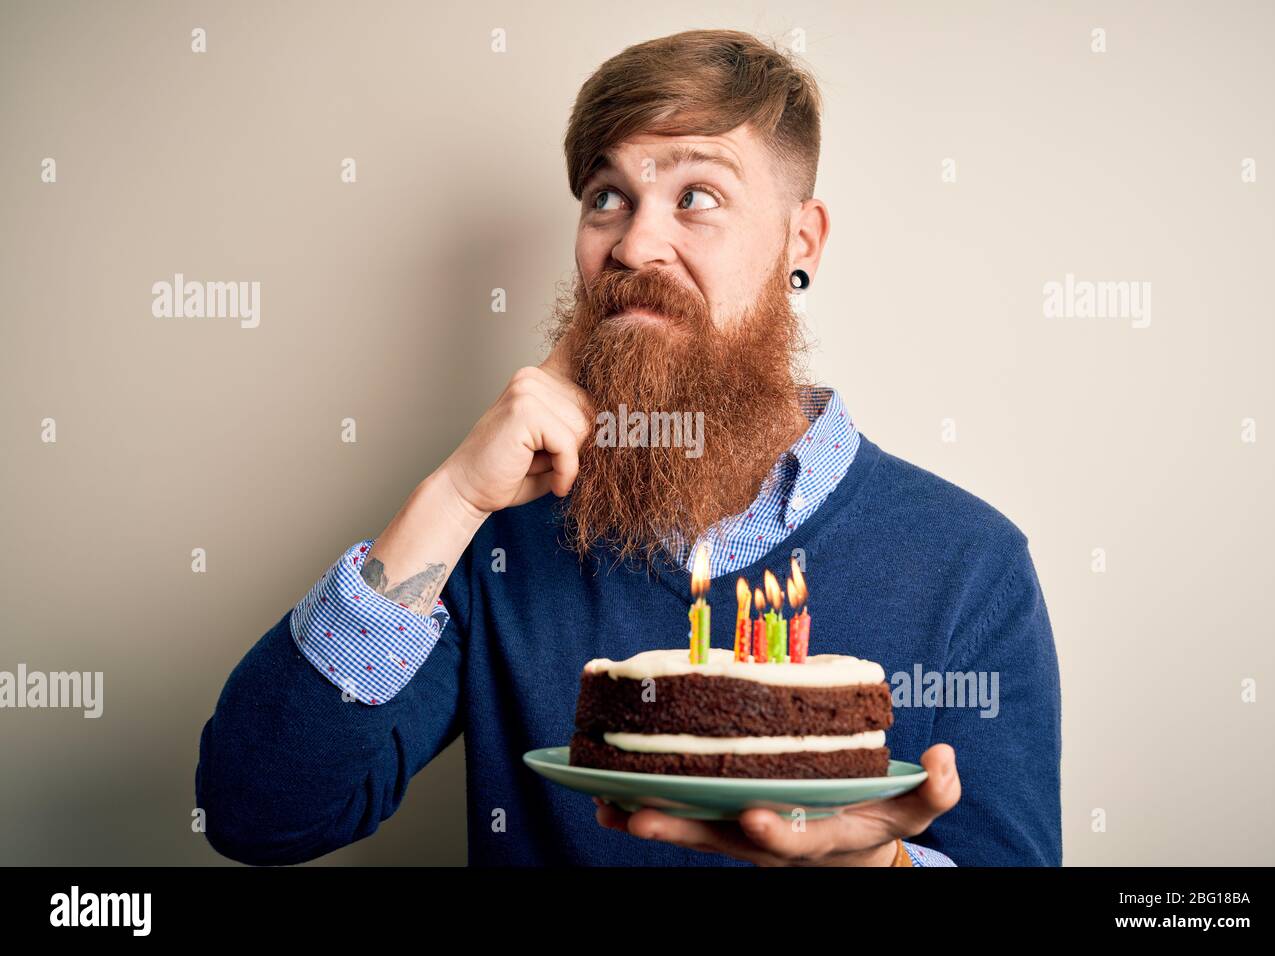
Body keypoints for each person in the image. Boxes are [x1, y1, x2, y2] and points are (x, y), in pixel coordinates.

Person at [195, 28, 1061, 867]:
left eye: (695, 197)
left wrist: (869, 870)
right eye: (607, 196)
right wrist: (455, 498)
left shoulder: (967, 564)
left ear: (801, 243)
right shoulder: (496, 538)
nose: (634, 244)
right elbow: (258, 813)